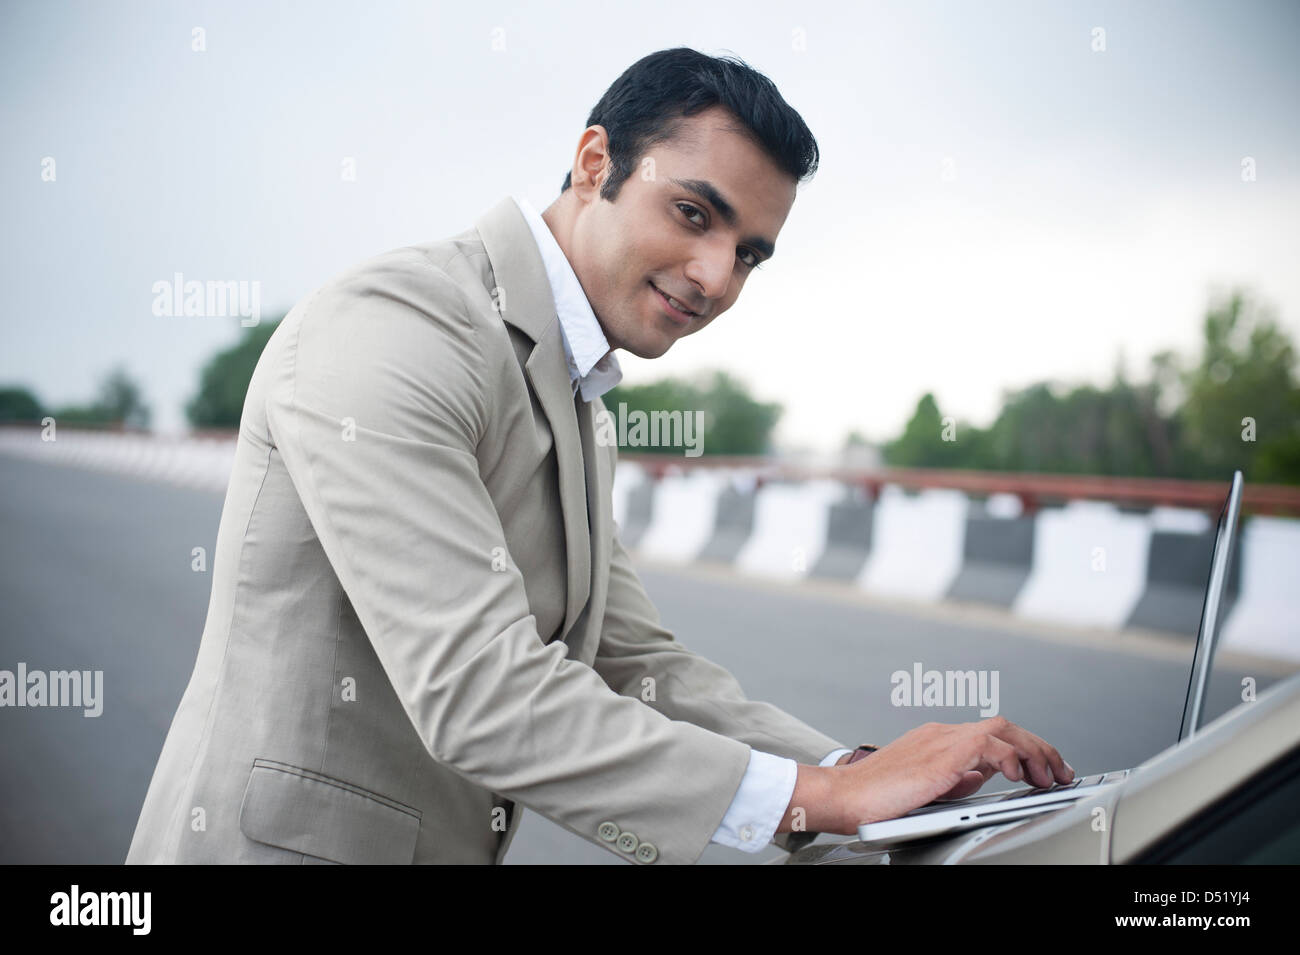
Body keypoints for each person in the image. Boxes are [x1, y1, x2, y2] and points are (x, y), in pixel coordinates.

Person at [126, 47, 1072, 866]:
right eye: (695, 214)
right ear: (594, 162)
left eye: (749, 253)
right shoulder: (399, 327)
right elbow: (482, 693)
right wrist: (818, 804)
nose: (715, 278)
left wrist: (856, 776)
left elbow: (634, 664)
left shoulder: (575, 390)